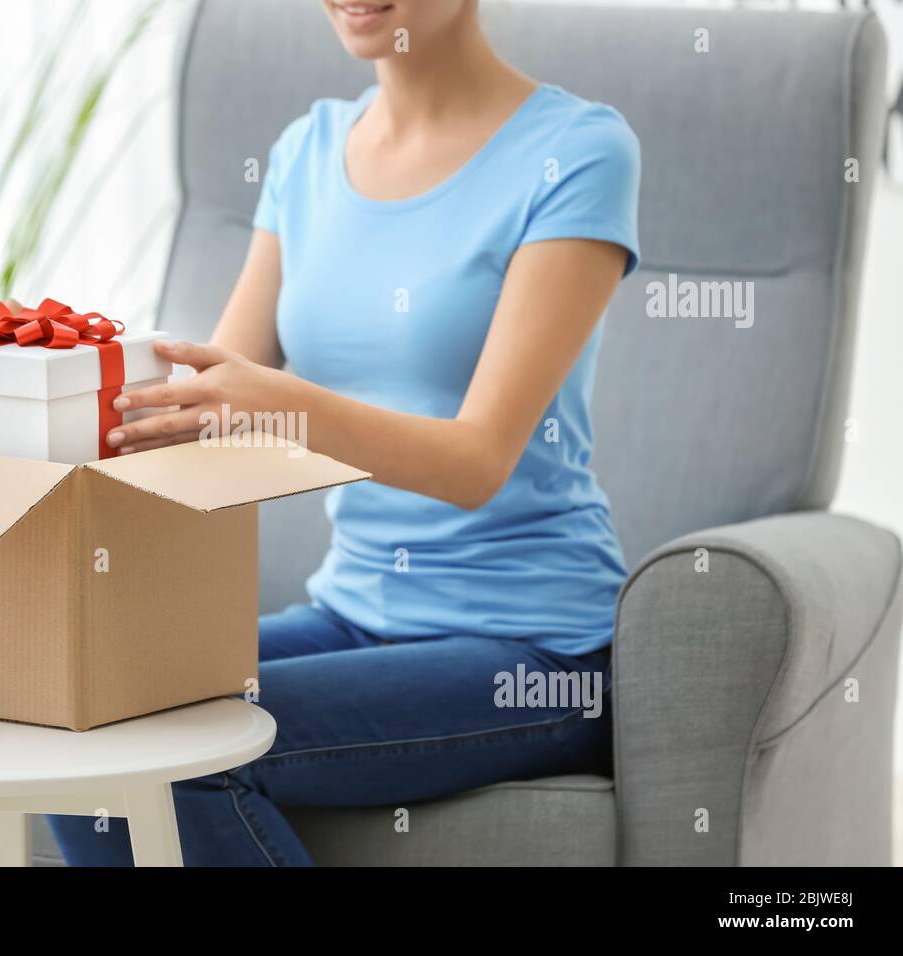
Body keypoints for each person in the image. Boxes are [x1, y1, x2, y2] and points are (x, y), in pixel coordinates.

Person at [49, 0, 640, 866]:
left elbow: (477, 461)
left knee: (168, 757)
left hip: (530, 647)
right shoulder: (307, 152)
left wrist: (276, 401)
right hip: (352, 612)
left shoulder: (579, 152)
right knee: (79, 698)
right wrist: (50, 395)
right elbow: (207, 406)